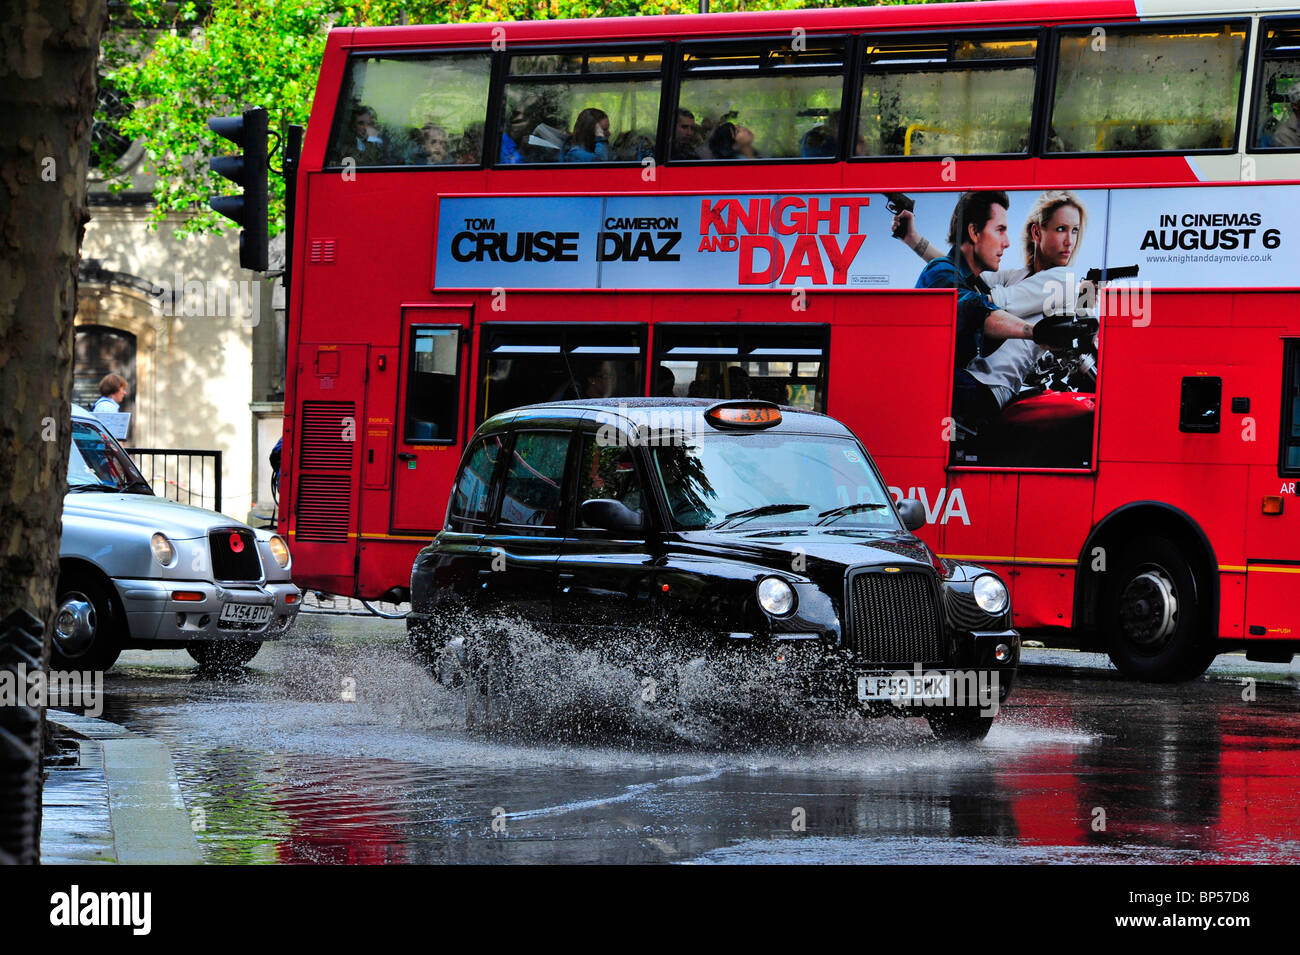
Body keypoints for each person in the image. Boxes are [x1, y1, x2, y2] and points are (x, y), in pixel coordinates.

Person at [895, 191, 1093, 414]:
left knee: (902, 377)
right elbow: (958, 272)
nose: (1069, 241)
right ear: (1037, 232)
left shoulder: (1062, 279)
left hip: (988, 387)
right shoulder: (1017, 276)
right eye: (1061, 229)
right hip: (971, 378)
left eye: (1075, 231)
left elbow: (976, 301)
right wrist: (912, 239)